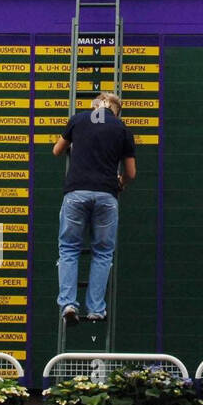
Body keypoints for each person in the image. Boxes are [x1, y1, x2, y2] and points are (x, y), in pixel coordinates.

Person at [52, 91, 136, 325]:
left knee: (69, 249)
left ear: (94, 105)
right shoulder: (121, 129)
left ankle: (68, 303)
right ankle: (96, 309)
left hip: (76, 192)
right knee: (102, 253)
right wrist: (121, 183)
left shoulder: (78, 120)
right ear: (115, 110)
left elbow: (57, 150)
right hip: (107, 195)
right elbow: (130, 173)